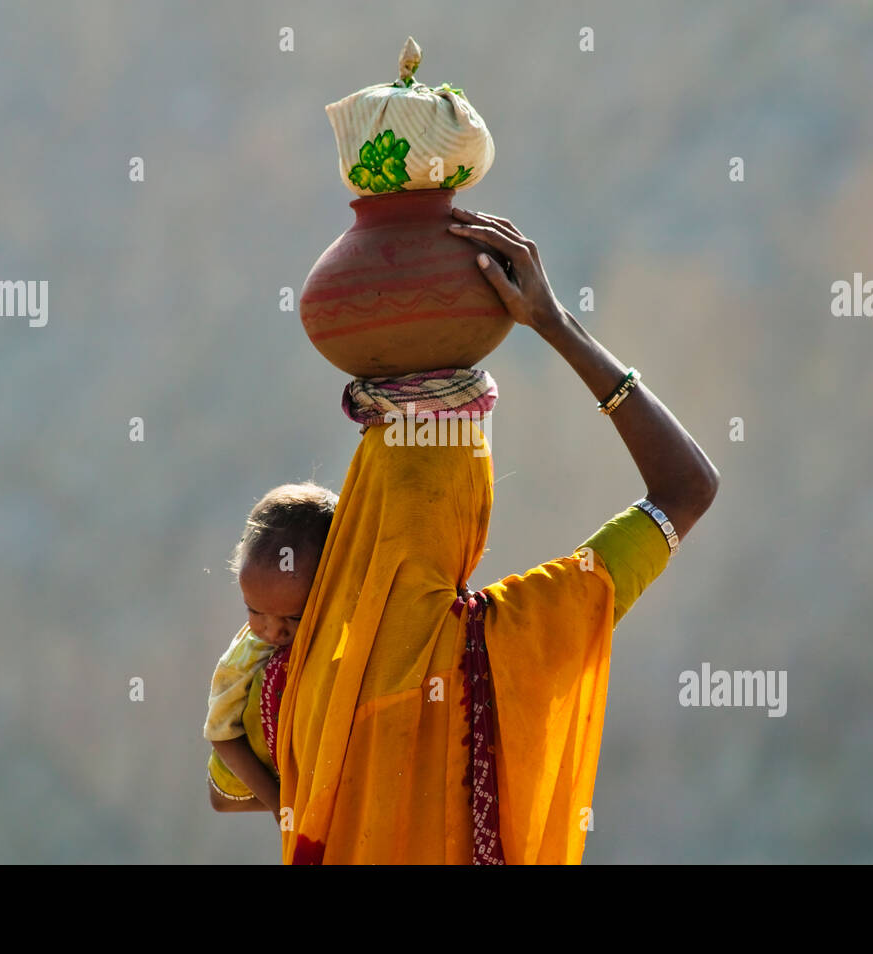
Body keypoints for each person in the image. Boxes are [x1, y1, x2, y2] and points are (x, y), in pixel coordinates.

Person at [273, 207, 721, 864]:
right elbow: (688, 488)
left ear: (363, 493)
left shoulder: (303, 669)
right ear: (471, 509)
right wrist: (556, 324)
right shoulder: (509, 639)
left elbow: (229, 786)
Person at [203, 483, 337, 821]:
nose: (272, 631)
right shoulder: (244, 659)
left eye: (293, 617)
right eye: (255, 611)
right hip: (240, 781)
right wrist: (280, 802)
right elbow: (222, 738)